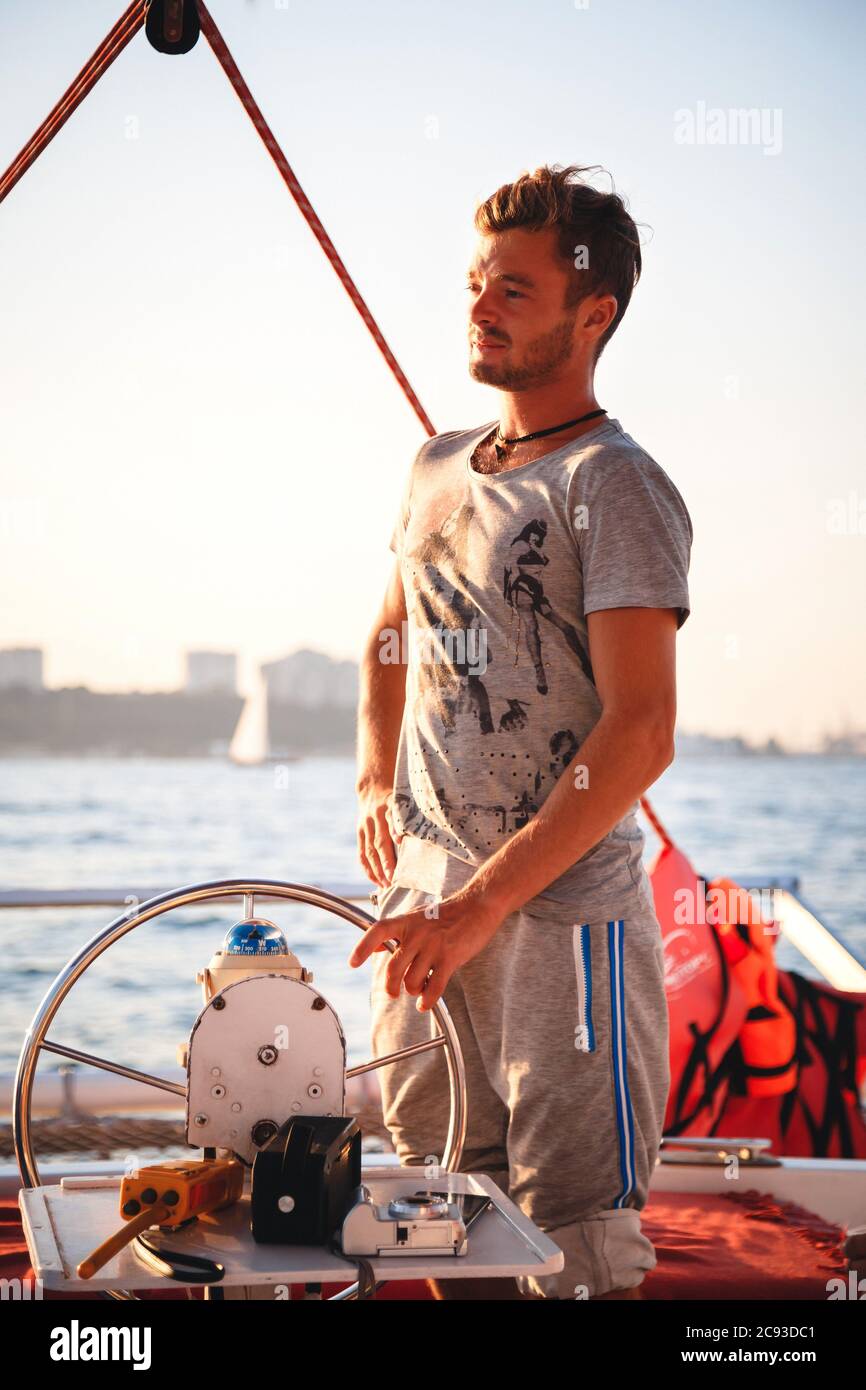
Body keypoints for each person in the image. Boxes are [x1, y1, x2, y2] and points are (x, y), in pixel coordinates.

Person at [349, 163, 693, 1300]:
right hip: (426, 901)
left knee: (575, 1238)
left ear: (591, 313)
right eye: (473, 283)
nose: (478, 305)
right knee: (441, 1202)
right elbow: (388, 641)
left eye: (513, 288)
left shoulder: (616, 483)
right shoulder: (434, 464)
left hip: (556, 925)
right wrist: (371, 790)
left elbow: (642, 731)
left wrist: (481, 901)